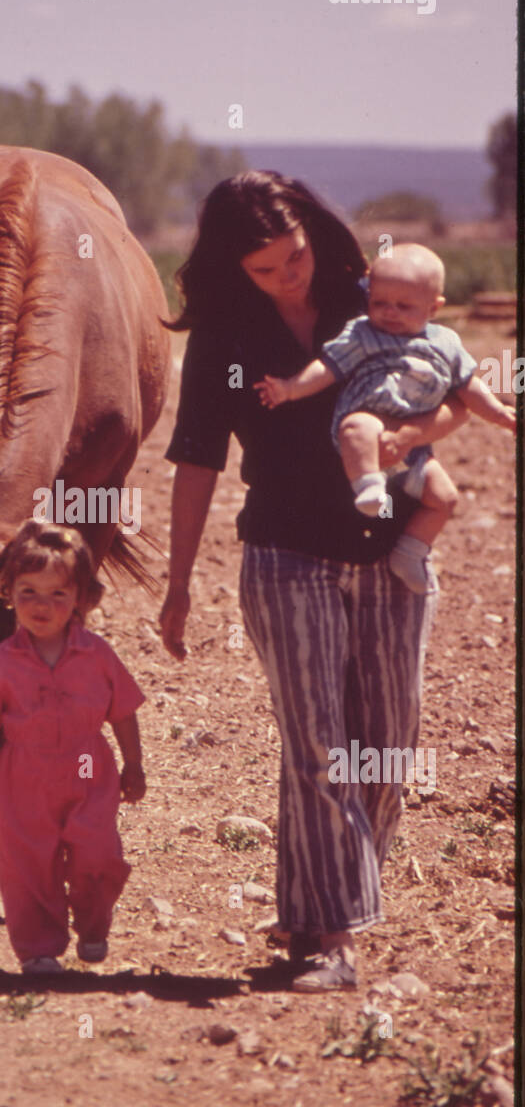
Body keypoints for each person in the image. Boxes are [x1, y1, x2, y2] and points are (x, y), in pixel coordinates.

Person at [159, 171, 469, 992]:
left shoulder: (371, 301)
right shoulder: (223, 336)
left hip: (391, 551)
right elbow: (196, 460)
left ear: (311, 234)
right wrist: (177, 581)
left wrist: (408, 437)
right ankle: (335, 937)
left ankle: (307, 908)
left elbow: (449, 391)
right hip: (283, 556)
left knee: (387, 748)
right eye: (263, 268)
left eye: (292, 255)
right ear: (234, 268)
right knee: (320, 749)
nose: (286, 276)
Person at [255, 243, 516, 593]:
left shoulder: (447, 343)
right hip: (369, 416)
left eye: (404, 306)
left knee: (445, 498)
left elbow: (469, 387)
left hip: (417, 449)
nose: (389, 312)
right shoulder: (362, 334)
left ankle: (411, 550)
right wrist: (290, 388)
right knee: (356, 427)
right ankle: (368, 483)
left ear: (434, 307)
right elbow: (327, 368)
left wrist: (500, 414)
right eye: (379, 303)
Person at [0, 520, 146, 975]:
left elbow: (123, 712)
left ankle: (94, 921)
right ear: (9, 593)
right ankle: (38, 948)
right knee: (26, 861)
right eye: (29, 592)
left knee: (97, 851)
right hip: (22, 774)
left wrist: (134, 765)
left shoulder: (97, 655)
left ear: (82, 598)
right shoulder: (3, 660)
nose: (43, 605)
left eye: (58, 594)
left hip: (87, 767)